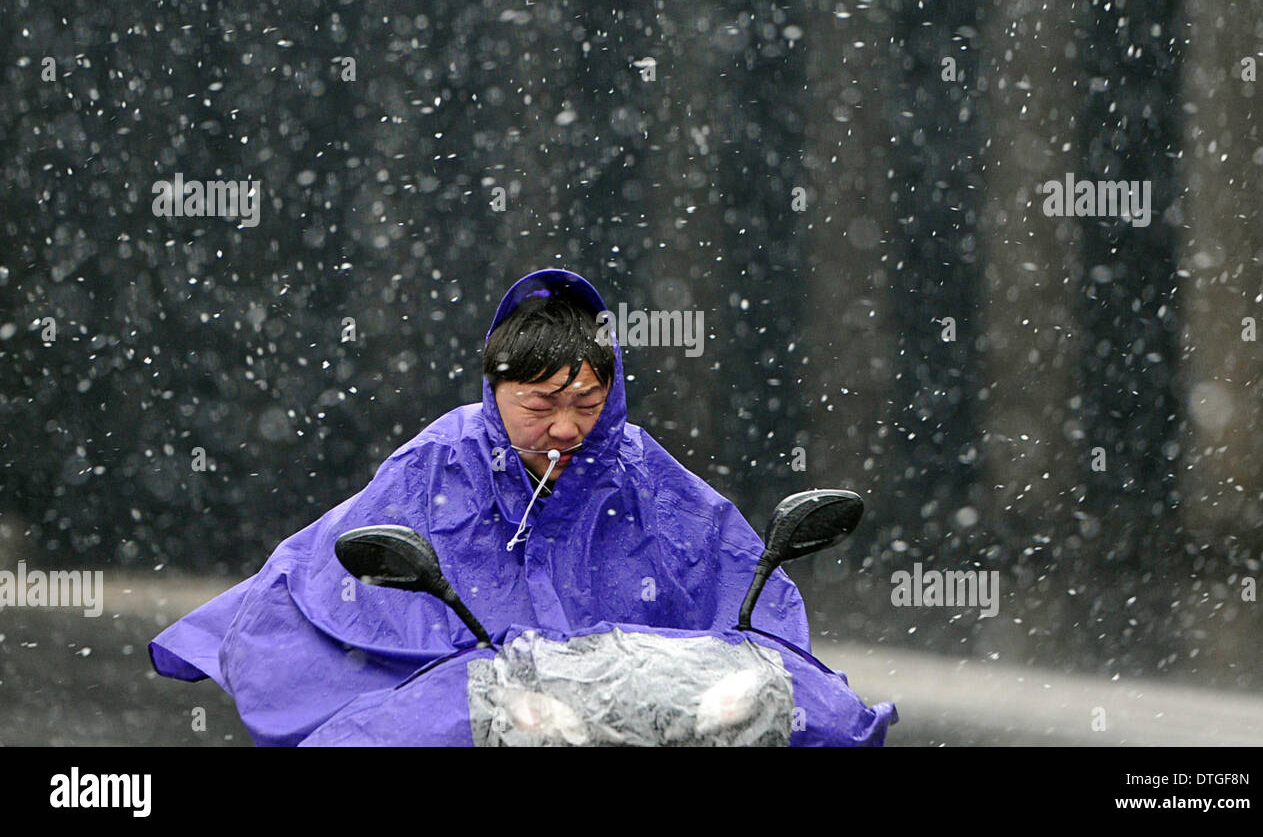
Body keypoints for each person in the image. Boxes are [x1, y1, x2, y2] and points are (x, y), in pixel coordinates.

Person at [149, 268, 811, 746]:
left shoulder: (645, 474)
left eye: (587, 405)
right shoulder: (435, 465)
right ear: (495, 390)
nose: (565, 428)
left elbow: (741, 591)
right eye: (541, 404)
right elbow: (333, 582)